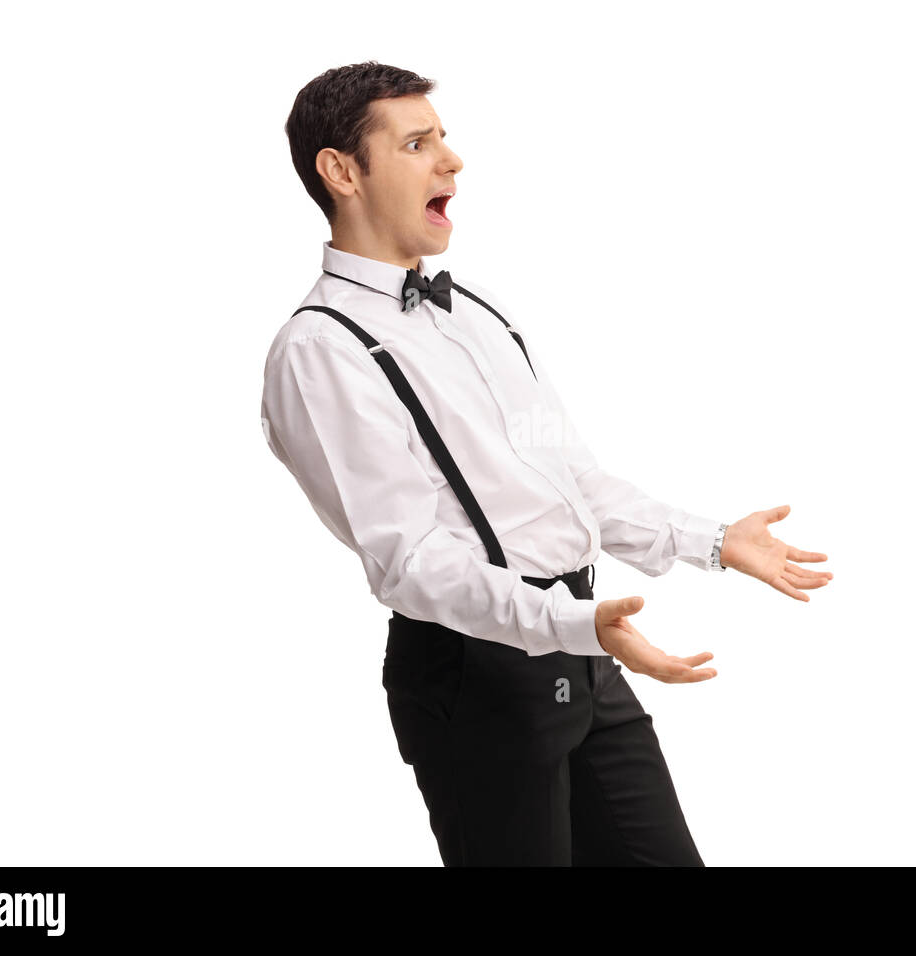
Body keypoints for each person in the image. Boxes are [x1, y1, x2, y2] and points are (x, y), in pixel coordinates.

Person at [260, 61, 833, 866]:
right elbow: (414, 564)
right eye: (418, 143)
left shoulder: (478, 312)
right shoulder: (321, 351)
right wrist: (570, 625)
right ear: (341, 171)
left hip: (583, 643)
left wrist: (710, 542)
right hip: (475, 672)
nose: (451, 161)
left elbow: (576, 484)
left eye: (444, 139)